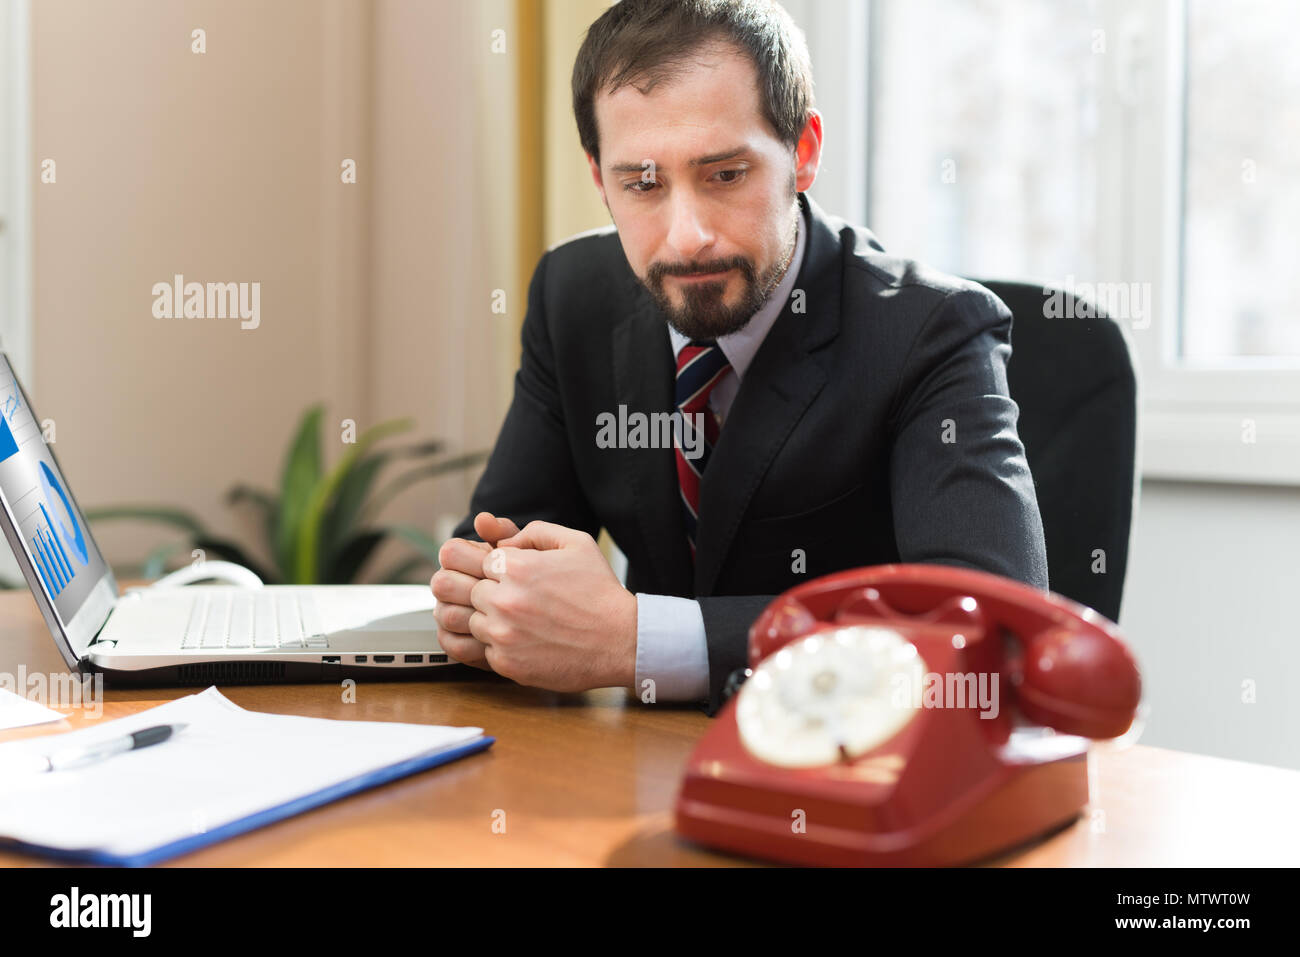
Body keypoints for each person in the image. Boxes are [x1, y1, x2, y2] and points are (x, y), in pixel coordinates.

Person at [431, 0, 1047, 715]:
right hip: (635, 762)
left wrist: (638, 640)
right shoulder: (573, 296)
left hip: (851, 760)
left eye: (724, 175)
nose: (687, 237)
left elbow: (990, 637)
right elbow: (494, 559)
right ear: (599, 178)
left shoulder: (929, 331)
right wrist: (491, 598)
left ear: (804, 152)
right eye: (642, 184)